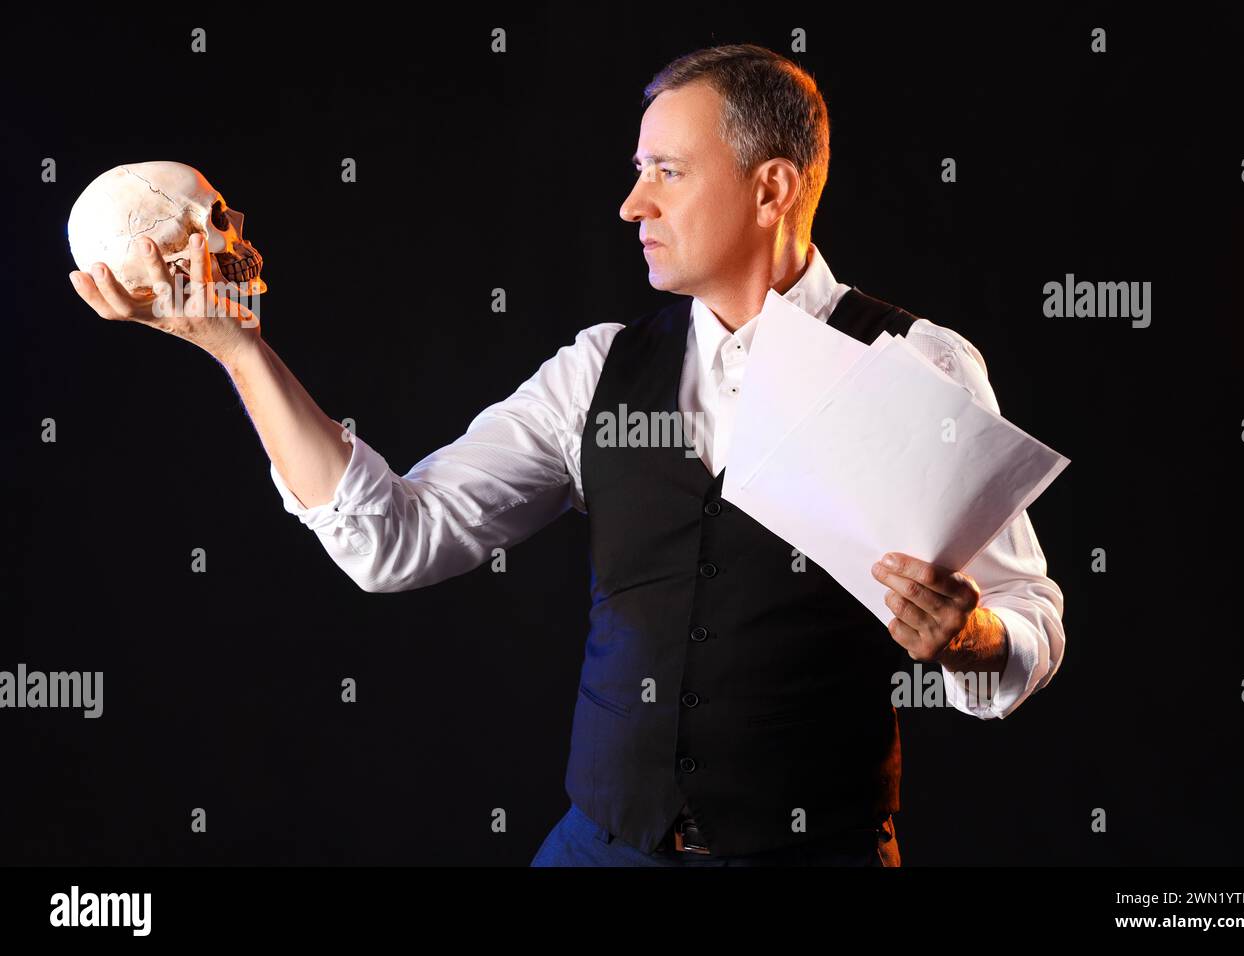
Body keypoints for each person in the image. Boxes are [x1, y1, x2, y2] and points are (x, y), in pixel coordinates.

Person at [68, 44, 1065, 867]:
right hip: (600, 850)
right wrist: (237, 346)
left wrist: (971, 635)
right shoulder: (597, 369)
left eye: (666, 173)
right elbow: (395, 542)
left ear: (771, 186)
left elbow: (1026, 619)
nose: (634, 206)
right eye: (637, 173)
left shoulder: (917, 363)